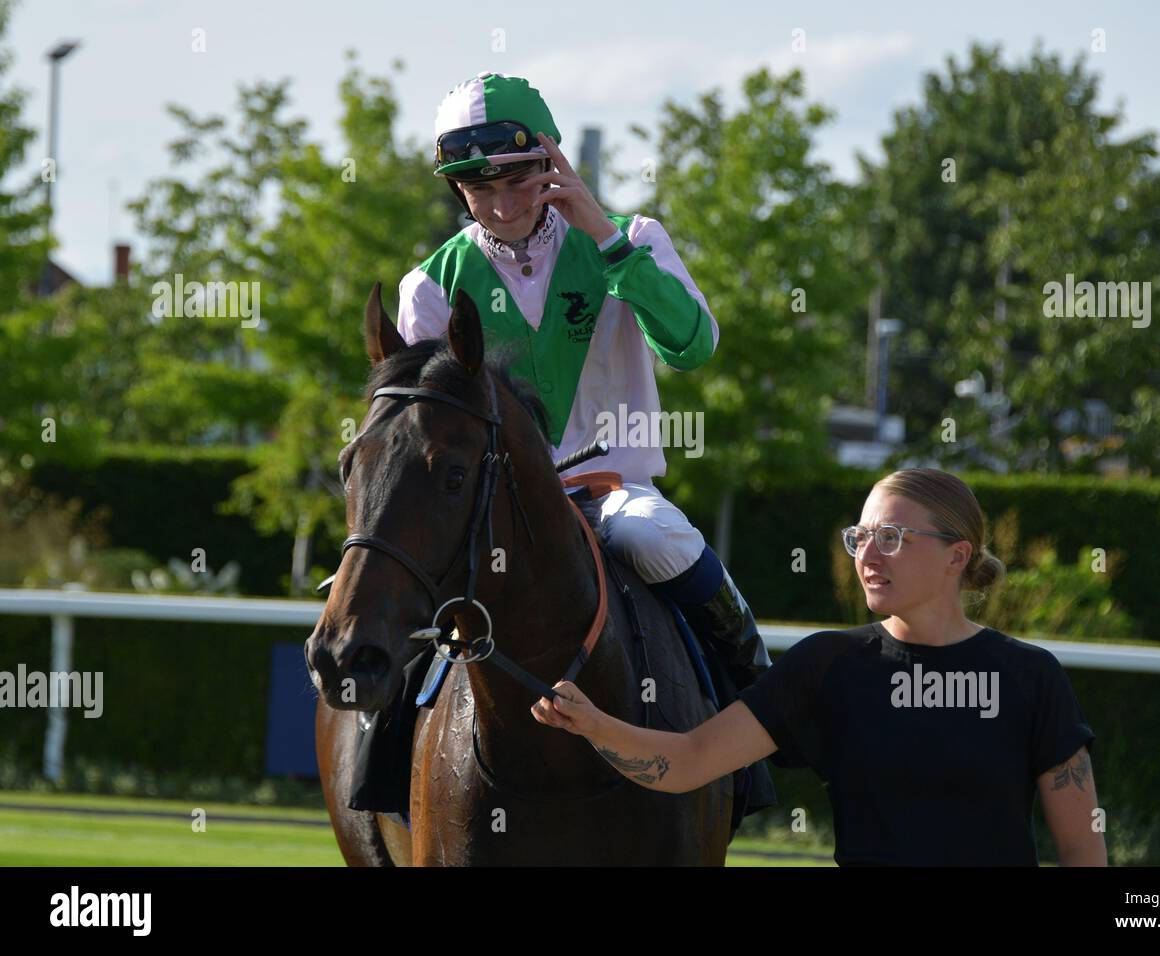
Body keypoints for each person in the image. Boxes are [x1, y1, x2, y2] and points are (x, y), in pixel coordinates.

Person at [349, 71, 776, 823]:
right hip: (489, 511)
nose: (501, 203)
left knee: (661, 536)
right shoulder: (429, 287)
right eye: (478, 187)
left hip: (612, 494)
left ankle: (756, 691)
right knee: (401, 584)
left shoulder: (631, 240)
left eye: (518, 178)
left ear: (552, 160)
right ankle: (380, 769)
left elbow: (693, 346)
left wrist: (604, 236)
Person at [532, 468, 1107, 866]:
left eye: (892, 537)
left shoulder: (1032, 677)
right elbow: (690, 760)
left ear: (957, 556)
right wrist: (592, 723)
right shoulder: (828, 666)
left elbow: (1084, 851)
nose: (867, 556)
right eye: (861, 537)